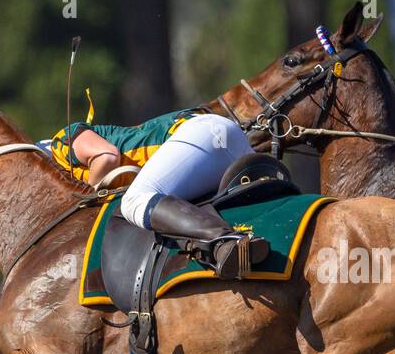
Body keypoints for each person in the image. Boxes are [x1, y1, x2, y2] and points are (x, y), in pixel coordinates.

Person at [52, 109, 269, 278]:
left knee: (133, 202)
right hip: (224, 142)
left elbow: (106, 156)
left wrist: (90, 200)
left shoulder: (59, 143)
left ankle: (225, 240)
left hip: (204, 135)